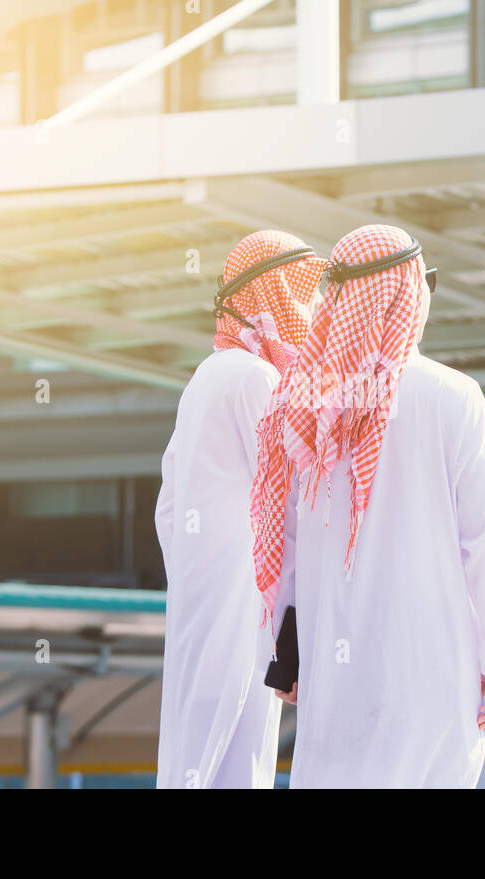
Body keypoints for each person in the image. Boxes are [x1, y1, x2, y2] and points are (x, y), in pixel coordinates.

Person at [250, 224, 485, 788]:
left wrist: (288, 649)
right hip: (429, 657)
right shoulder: (453, 395)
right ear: (408, 294)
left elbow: (287, 538)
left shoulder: (303, 402)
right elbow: (483, 534)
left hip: (334, 664)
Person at [154, 230, 327, 788]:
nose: (309, 306)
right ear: (271, 292)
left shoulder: (207, 375)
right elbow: (291, 497)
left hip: (204, 591)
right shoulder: (258, 378)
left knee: (201, 750)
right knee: (241, 750)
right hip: (248, 596)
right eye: (300, 289)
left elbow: (167, 507)